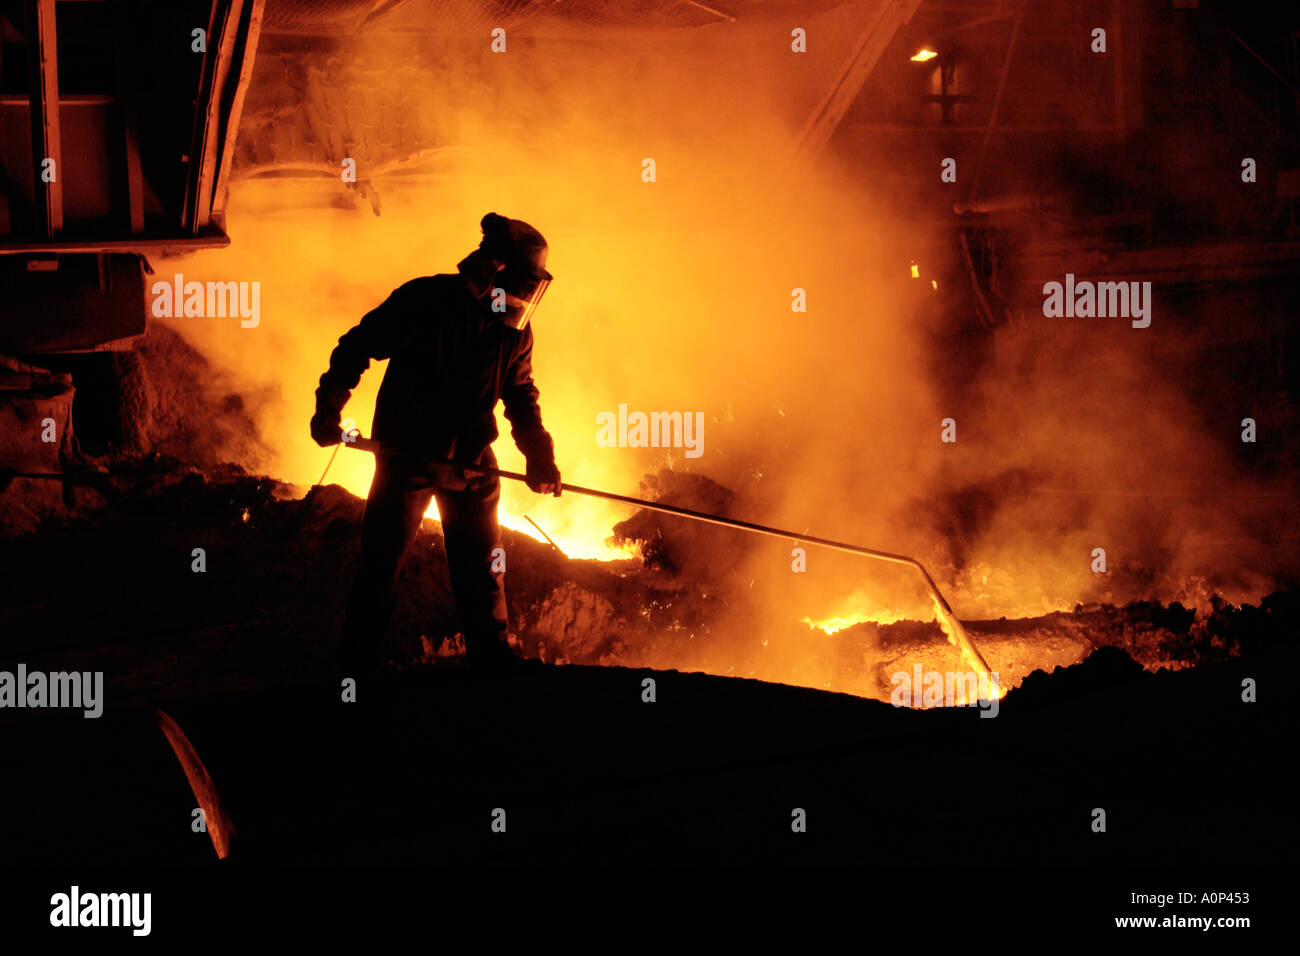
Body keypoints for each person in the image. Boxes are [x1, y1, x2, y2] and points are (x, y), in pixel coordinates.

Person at [310, 212, 561, 674]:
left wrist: (540, 456)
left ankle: (491, 660)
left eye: (531, 288)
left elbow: (521, 397)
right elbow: (357, 345)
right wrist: (329, 406)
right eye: (520, 284)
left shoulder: (514, 332)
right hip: (408, 458)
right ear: (494, 271)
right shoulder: (427, 301)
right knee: (382, 566)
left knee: (485, 568)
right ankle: (356, 667)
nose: (524, 299)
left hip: (471, 464)